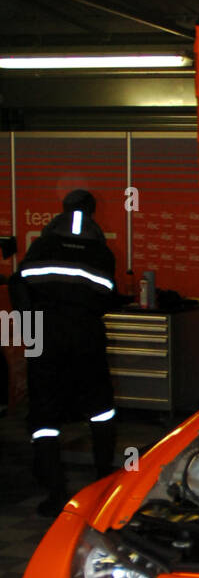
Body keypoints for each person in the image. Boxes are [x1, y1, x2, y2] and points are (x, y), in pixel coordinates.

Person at [11, 189, 118, 516]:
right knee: (100, 409)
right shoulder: (101, 252)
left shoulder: (42, 245)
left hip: (43, 335)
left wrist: (25, 341)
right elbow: (107, 299)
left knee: (44, 415)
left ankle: (55, 493)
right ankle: (103, 485)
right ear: (92, 212)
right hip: (86, 336)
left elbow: (18, 289)